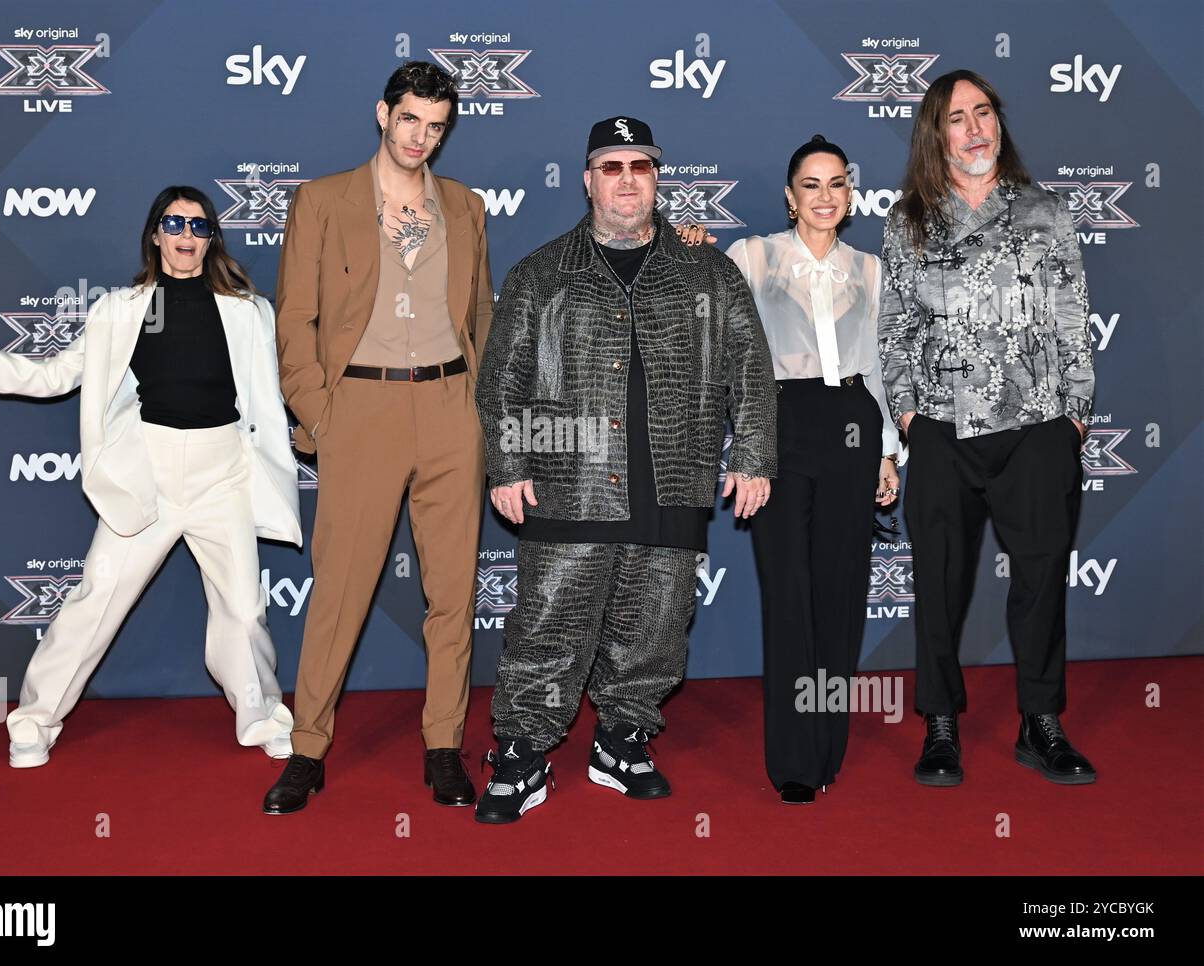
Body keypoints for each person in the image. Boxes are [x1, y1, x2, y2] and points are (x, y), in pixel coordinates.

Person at [0, 185, 301, 768]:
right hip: (146, 474)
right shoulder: (124, 309)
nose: (186, 238)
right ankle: (34, 721)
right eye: (175, 225)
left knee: (243, 607)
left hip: (223, 471)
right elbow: (56, 375)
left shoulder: (248, 311)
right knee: (95, 599)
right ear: (155, 234)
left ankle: (260, 713)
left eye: (199, 228)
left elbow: (275, 392)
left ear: (211, 240)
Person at [472, 116, 776, 824]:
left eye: (640, 166)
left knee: (657, 624)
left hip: (675, 474)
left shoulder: (709, 269)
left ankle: (623, 740)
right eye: (612, 167)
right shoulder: (541, 273)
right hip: (566, 477)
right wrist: (508, 464)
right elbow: (501, 382)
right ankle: (521, 753)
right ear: (588, 180)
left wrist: (755, 455)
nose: (627, 180)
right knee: (547, 624)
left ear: (656, 178)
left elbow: (751, 371)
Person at [264, 62, 494, 814]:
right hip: (360, 408)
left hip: (451, 406)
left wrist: (481, 410)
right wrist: (320, 413)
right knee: (339, 590)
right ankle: (307, 749)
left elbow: (481, 318)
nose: (420, 137)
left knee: (453, 594)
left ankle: (442, 746)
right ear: (382, 115)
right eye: (409, 121)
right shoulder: (323, 200)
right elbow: (294, 317)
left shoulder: (465, 207)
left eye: (435, 126)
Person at [877, 70, 1097, 786]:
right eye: (958, 118)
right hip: (943, 427)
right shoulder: (910, 218)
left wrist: (1074, 415)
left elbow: (1073, 319)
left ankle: (1041, 723)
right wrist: (909, 415)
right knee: (939, 584)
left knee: (1040, 580)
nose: (976, 128)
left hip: (1037, 424)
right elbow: (897, 328)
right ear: (935, 134)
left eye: (985, 113)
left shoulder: (1047, 211)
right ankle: (940, 725)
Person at [727, 135, 900, 805]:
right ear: (789, 195)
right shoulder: (755, 257)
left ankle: (829, 746)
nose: (824, 197)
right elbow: (728, 353)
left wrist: (888, 450)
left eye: (836, 184)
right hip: (778, 423)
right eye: (811, 184)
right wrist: (745, 450)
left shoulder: (872, 269)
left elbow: (883, 369)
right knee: (790, 596)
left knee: (840, 595)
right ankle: (795, 760)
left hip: (853, 427)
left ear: (849, 195)